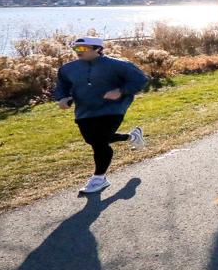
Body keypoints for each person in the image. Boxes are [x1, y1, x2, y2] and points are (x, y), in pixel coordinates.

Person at [52, 36, 148, 194]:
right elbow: (62, 86)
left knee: (100, 142)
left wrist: (121, 91)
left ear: (98, 49)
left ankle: (99, 178)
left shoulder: (118, 65)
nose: (78, 52)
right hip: (84, 110)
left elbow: (140, 80)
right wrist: (62, 98)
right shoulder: (68, 69)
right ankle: (132, 137)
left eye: (82, 49)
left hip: (113, 108)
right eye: (75, 48)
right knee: (93, 139)